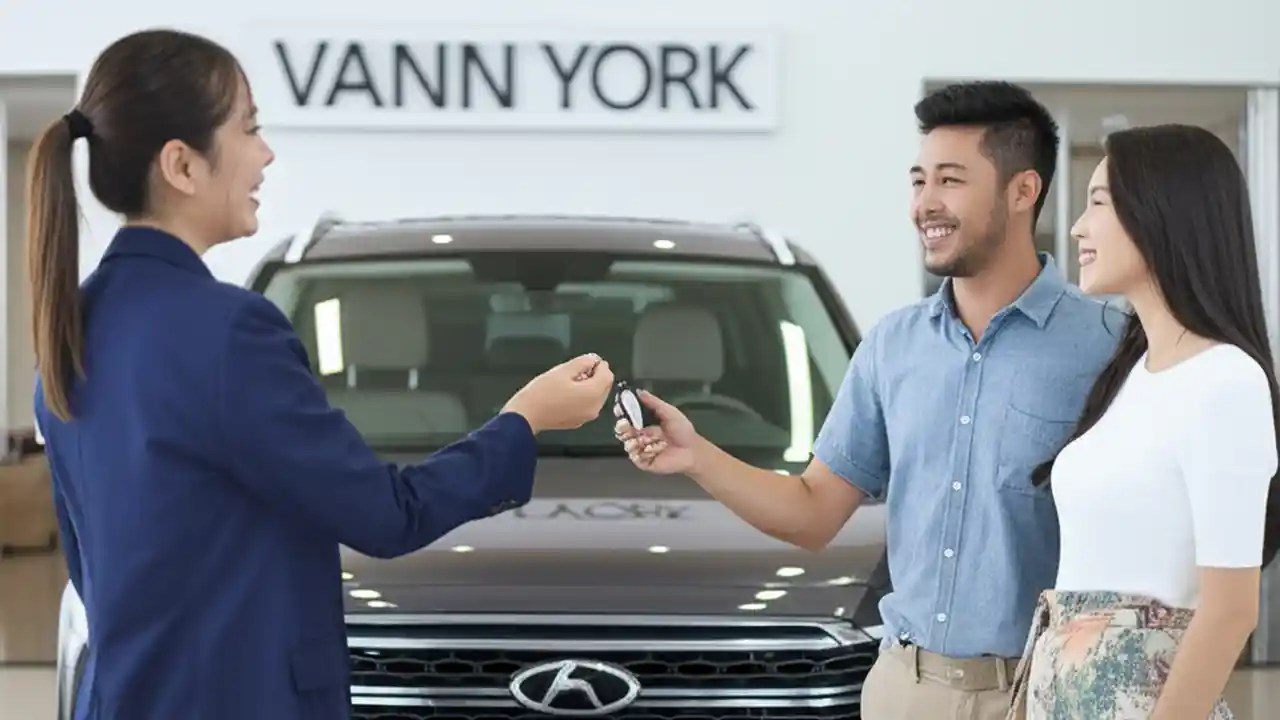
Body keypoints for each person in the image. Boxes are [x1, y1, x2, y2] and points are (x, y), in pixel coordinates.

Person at [29, 29, 614, 720]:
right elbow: (388, 516)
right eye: (248, 128)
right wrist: (524, 419)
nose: (266, 153)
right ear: (182, 165)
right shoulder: (228, 333)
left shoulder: (69, 332)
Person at [615, 81, 1124, 720]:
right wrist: (695, 455)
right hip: (903, 690)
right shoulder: (892, 346)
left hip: (1045, 691)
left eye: (950, 181)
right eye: (918, 181)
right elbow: (812, 513)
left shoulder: (1110, 345)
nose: (924, 204)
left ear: (1023, 191)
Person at [1003, 124, 1280, 719]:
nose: (1077, 226)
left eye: (1099, 202)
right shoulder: (1131, 373)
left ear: (1162, 214)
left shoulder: (1226, 381)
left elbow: (1231, 610)